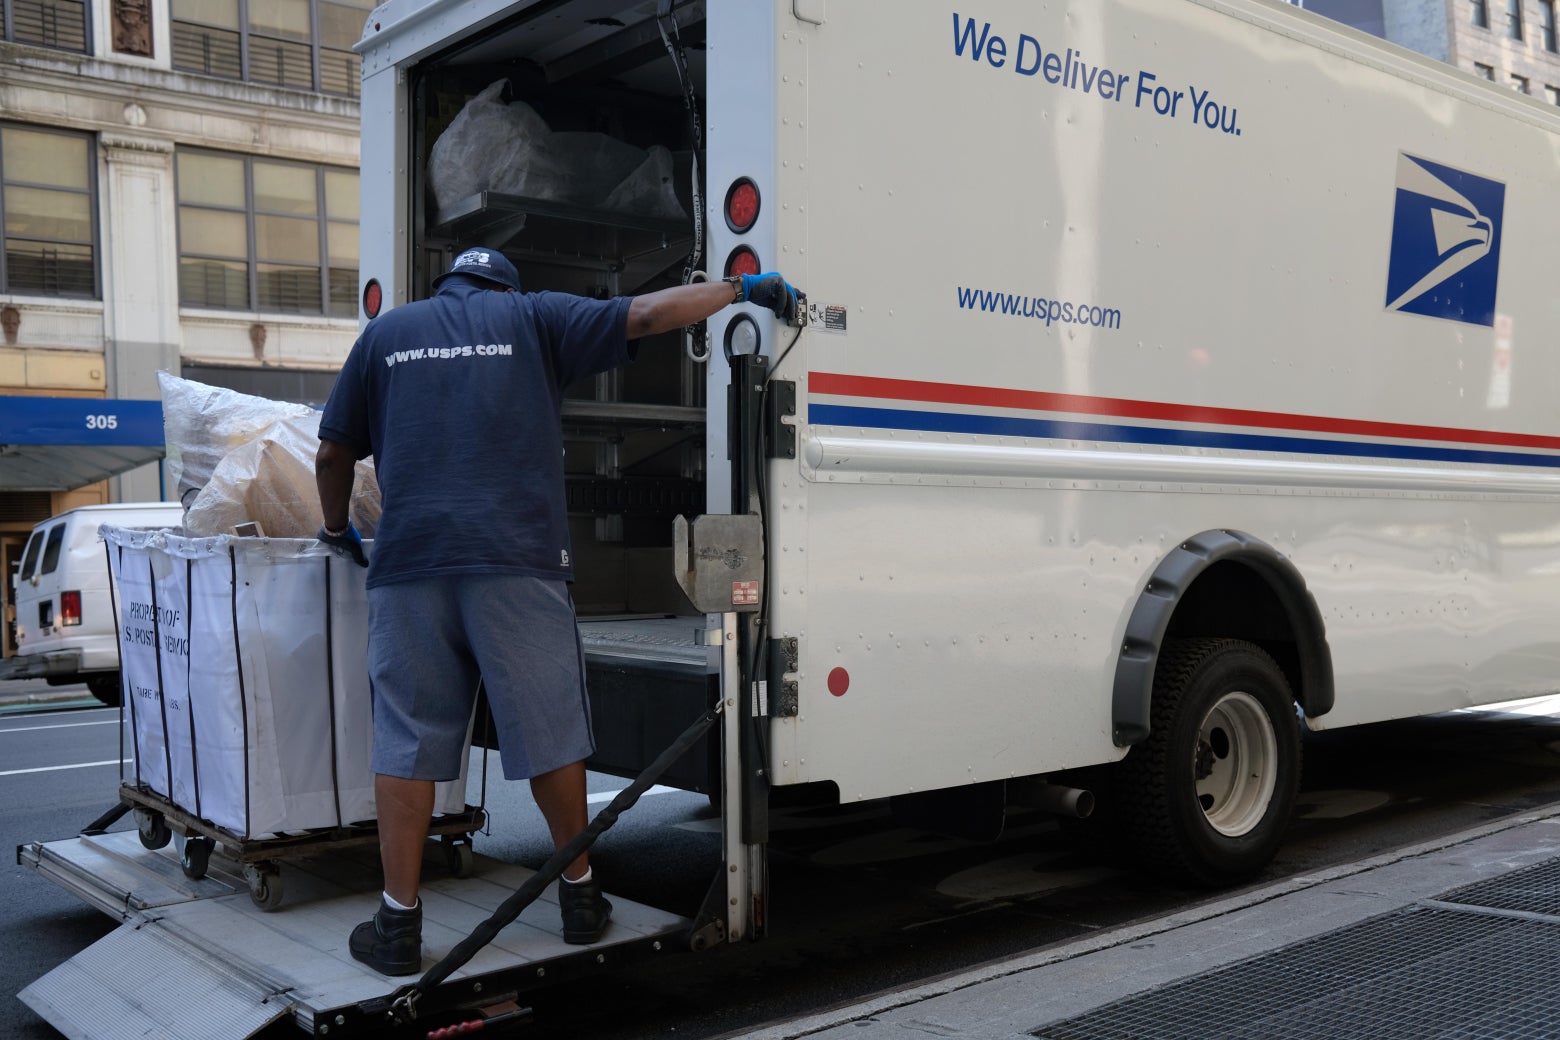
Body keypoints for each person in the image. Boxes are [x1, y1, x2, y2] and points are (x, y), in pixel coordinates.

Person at [314, 247, 800, 976]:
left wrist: (335, 530)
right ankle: (578, 901)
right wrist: (740, 287)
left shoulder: (386, 335)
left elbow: (331, 454)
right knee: (549, 732)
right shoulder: (534, 316)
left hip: (410, 566)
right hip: (517, 563)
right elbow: (648, 312)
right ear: (502, 286)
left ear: (447, 284)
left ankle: (397, 925)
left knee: (408, 741)